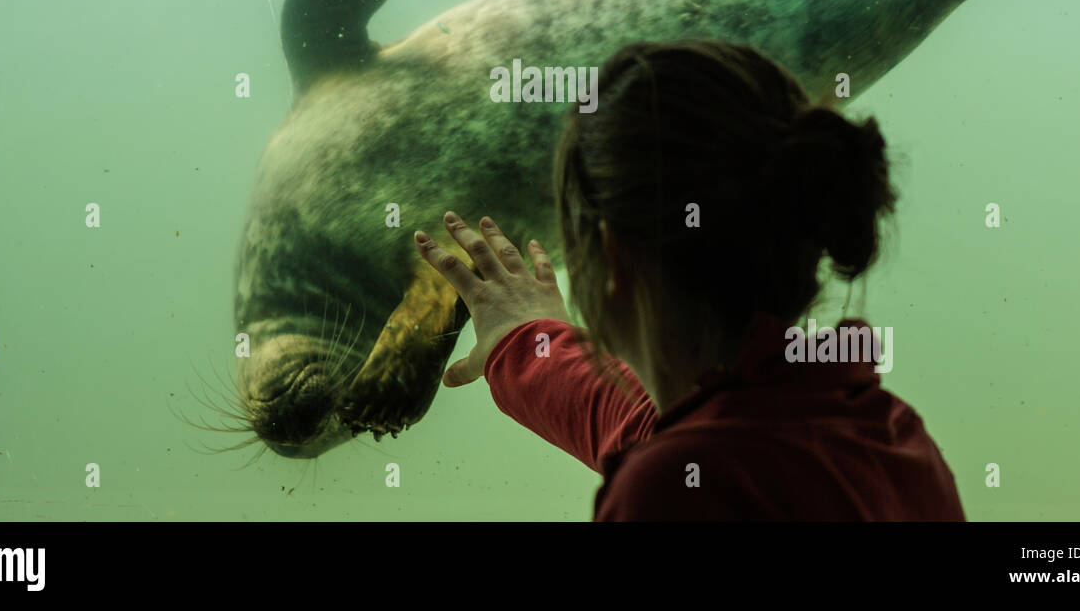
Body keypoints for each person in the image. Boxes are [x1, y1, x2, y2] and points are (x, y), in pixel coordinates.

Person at [413, 39, 964, 520]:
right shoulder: (889, 438)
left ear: (612, 261)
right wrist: (525, 341)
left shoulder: (672, 492)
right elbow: (656, 424)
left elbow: (676, 451)